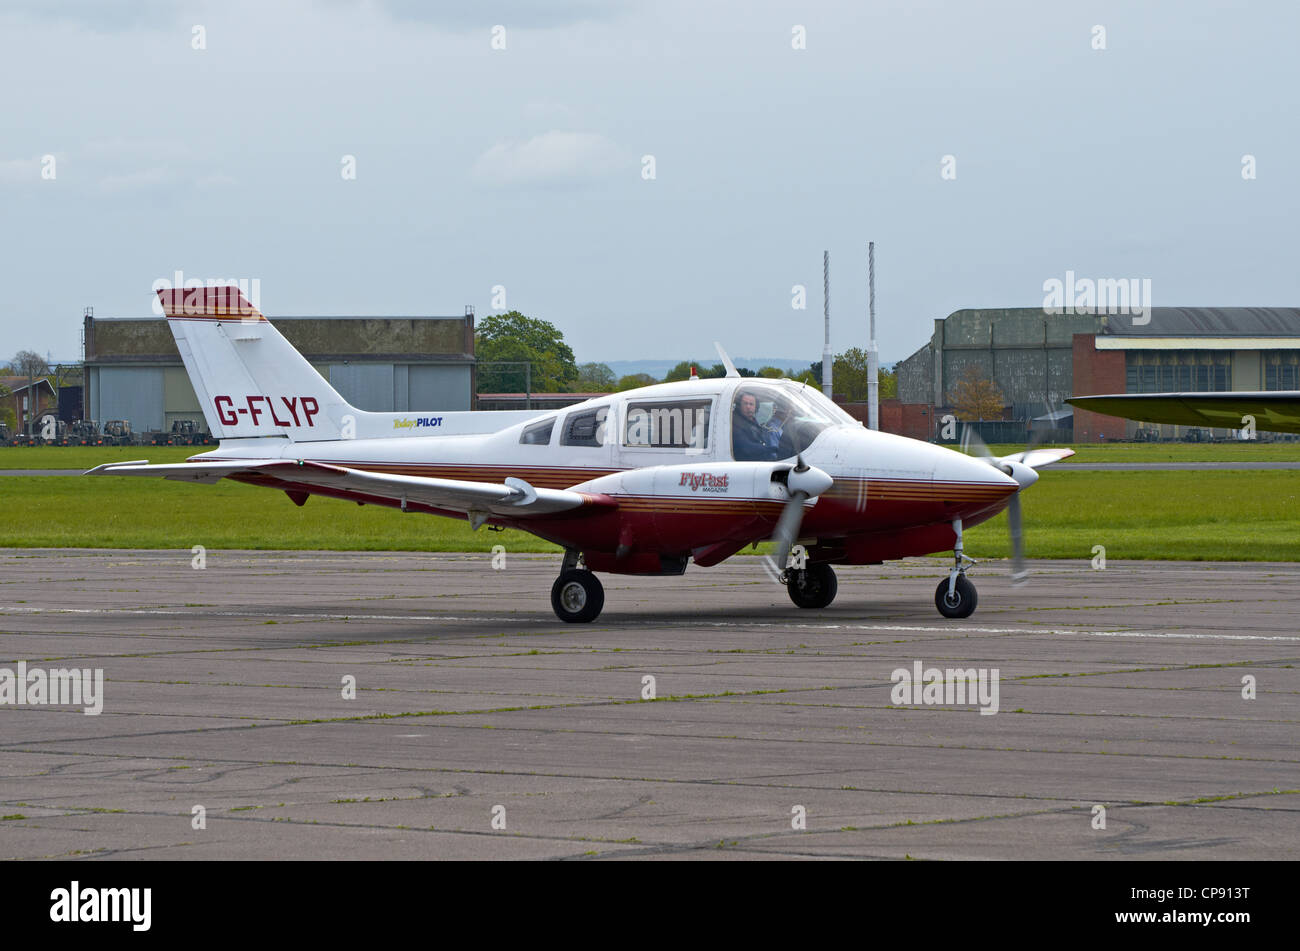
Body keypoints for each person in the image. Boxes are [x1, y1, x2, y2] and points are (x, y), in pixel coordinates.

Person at [733, 392, 779, 461]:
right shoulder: (735, 423)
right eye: (745, 403)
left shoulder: (752, 421)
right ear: (739, 405)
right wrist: (771, 448)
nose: (748, 407)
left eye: (751, 404)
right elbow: (746, 447)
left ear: (756, 407)